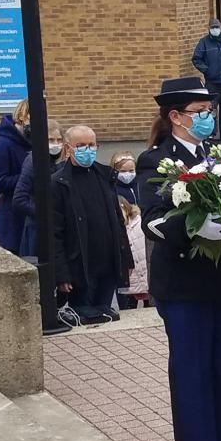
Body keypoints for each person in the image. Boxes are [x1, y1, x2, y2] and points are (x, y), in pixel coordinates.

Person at [137, 76, 221, 441]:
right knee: (192, 366)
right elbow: (153, 221)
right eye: (199, 113)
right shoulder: (155, 161)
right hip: (184, 282)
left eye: (209, 111)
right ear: (175, 117)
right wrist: (200, 229)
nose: (207, 118)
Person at [52, 125, 132, 325]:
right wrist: (61, 274)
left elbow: (118, 220)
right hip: (79, 267)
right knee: (85, 317)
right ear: (68, 148)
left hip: (107, 262)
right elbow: (54, 233)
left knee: (105, 315)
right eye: (80, 146)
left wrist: (125, 260)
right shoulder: (59, 182)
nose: (87, 150)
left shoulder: (104, 176)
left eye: (91, 145)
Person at [13, 120, 65, 258]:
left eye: (59, 140)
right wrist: (44, 214)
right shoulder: (34, 161)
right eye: (51, 139)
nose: (55, 144)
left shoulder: (59, 161)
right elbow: (19, 198)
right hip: (38, 230)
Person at [0, 99, 33, 255]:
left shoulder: (33, 141)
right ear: (21, 116)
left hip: (28, 213)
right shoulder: (3, 143)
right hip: (12, 217)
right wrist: (28, 179)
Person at [191, 18, 221, 140]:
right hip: (212, 82)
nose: (215, 30)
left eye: (216, 27)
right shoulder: (204, 43)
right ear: (209, 29)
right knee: (210, 108)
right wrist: (207, 70)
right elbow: (196, 59)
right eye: (212, 27)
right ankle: (211, 133)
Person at [117, 197, 150, 310]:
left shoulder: (139, 222)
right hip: (131, 276)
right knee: (129, 306)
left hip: (144, 270)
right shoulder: (117, 228)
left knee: (149, 305)